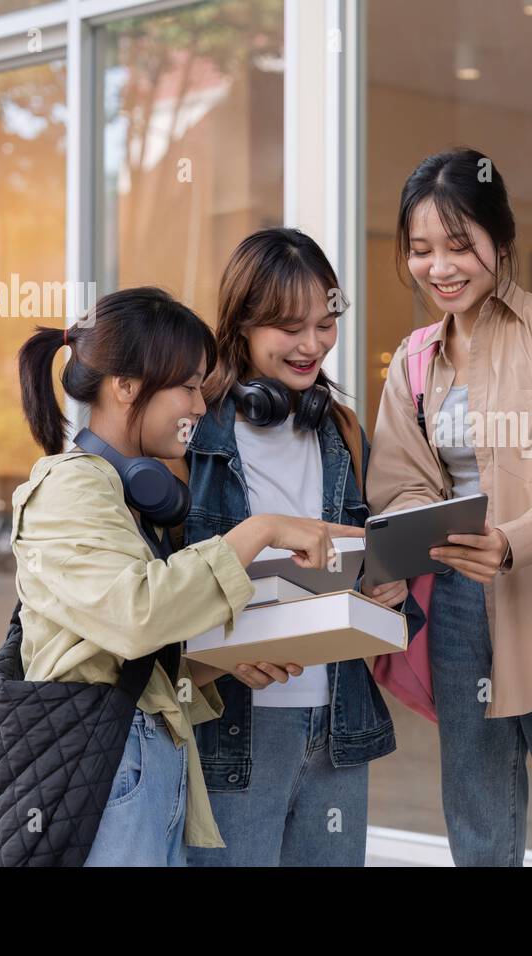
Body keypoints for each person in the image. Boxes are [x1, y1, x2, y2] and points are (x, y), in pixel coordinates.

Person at [12, 286, 357, 866]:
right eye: (189, 386)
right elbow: (136, 617)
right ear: (125, 385)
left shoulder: (131, 495)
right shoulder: (69, 486)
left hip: (151, 756)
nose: (201, 406)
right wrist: (261, 530)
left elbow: (130, 655)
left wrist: (224, 658)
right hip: (107, 761)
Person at [368, 148, 532, 866]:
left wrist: (512, 540)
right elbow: (401, 482)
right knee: (478, 823)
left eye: (459, 245)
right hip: (456, 607)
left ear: (500, 241)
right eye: (421, 250)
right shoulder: (415, 358)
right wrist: (419, 530)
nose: (439, 267)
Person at [184, 228, 412, 867]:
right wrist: (220, 648)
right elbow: (162, 587)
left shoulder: (339, 430)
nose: (313, 344)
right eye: (289, 327)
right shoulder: (195, 434)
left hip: (338, 723)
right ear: (242, 327)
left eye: (325, 322)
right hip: (234, 725)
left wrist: (385, 589)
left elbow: (359, 556)